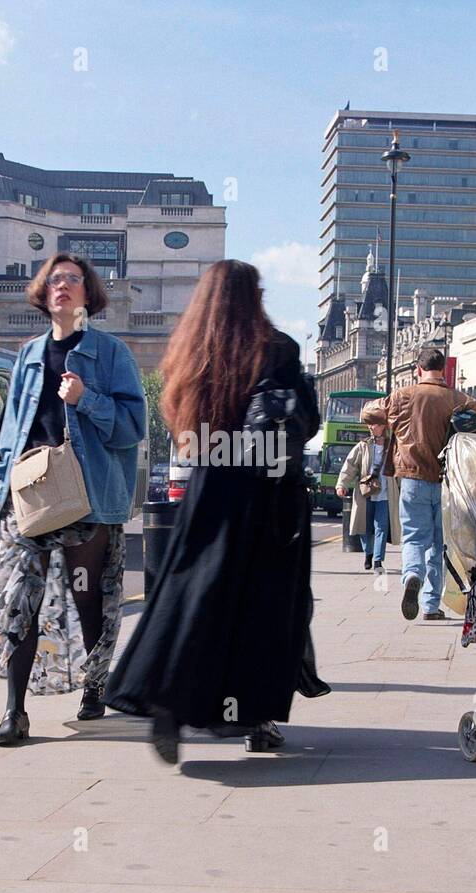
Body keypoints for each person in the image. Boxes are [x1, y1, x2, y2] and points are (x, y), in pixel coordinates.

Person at [104, 260, 322, 761]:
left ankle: (166, 698)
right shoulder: (277, 348)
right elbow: (299, 422)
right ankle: (256, 717)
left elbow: (185, 426)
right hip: (265, 496)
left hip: (207, 487)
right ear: (253, 296)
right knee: (264, 607)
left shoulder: (192, 353)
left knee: (191, 597)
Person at [0, 252, 145, 744]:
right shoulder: (29, 356)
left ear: (88, 293)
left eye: (73, 280)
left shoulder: (111, 352)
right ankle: (15, 711)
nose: (63, 286)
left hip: (88, 493)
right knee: (17, 599)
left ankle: (94, 686)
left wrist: (86, 400)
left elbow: (132, 428)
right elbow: (10, 431)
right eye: (55, 280)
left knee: (87, 597)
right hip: (31, 492)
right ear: (44, 292)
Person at [382, 347, 476, 622]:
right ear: (443, 369)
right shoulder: (462, 400)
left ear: (418, 369)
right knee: (440, 543)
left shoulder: (403, 396)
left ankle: (412, 574)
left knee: (414, 536)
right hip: (447, 481)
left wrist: (391, 423)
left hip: (413, 478)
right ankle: (430, 605)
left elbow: (370, 413)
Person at [336, 400, 401, 573]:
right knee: (364, 527)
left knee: (381, 527)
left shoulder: (393, 447)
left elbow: (401, 469)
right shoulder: (363, 446)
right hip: (365, 493)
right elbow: (350, 466)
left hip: (386, 494)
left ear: (383, 426)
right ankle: (368, 553)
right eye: (370, 424)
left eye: (375, 424)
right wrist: (341, 484)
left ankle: (378, 561)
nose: (371, 427)